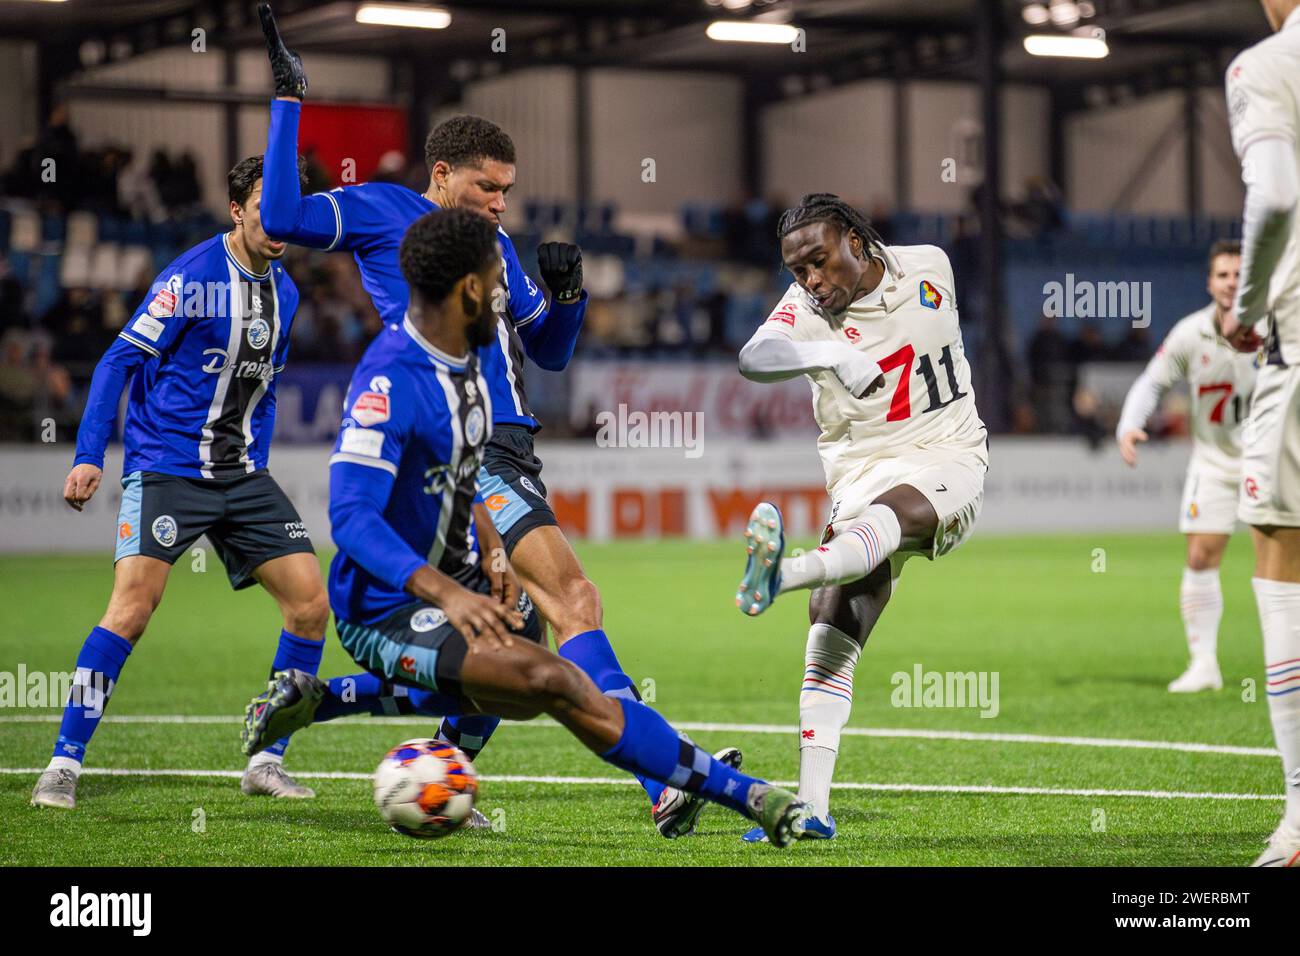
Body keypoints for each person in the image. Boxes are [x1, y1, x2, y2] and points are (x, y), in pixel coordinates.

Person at [254, 3, 737, 838]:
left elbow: (547, 352)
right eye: (486, 188)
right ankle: (665, 781)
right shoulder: (380, 211)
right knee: (574, 598)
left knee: (522, 627)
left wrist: (571, 297)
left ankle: (384, 730)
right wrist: (289, 102)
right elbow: (285, 219)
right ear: (440, 177)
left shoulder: (496, 247)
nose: (499, 205)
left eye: (508, 192)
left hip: (512, 439)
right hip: (469, 449)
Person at [240, 207, 809, 847]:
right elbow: (350, 518)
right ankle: (749, 798)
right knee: (550, 680)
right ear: (469, 290)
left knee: (505, 692)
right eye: (497, 281)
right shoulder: (388, 379)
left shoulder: (476, 363)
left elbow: (465, 471)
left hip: (459, 581)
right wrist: (449, 592)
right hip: (382, 607)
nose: (508, 295)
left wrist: (493, 552)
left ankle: (326, 699)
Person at [30, 156, 331, 810]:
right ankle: (63, 761)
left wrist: (258, 454)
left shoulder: (288, 291)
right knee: (132, 610)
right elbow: (118, 360)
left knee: (310, 605)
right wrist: (89, 455)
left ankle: (267, 759)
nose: (280, 220)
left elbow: (266, 386)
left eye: (288, 206)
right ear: (236, 210)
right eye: (265, 205)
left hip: (242, 475)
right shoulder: (190, 277)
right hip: (167, 465)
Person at [733, 193, 989, 841]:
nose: (813, 281)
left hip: (948, 458)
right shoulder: (806, 313)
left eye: (820, 261)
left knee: (887, 520)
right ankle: (814, 807)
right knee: (832, 626)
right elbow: (753, 358)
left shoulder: (930, 266)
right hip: (861, 473)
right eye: (799, 272)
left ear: (855, 240)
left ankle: (782, 573)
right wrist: (830, 355)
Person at [1219, 0, 1300, 867]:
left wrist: (1245, 309)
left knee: (1282, 573)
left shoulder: (1267, 65)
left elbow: (1276, 193)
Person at [1116, 241, 1257, 693]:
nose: (1231, 282)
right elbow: (1152, 382)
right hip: (1213, 462)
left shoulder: (1277, 326)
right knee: (1199, 555)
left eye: (1239, 274)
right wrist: (1129, 424)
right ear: (1209, 282)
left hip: (1269, 462)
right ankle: (1204, 664)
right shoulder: (1190, 333)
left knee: (1282, 560)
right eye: (1223, 275)